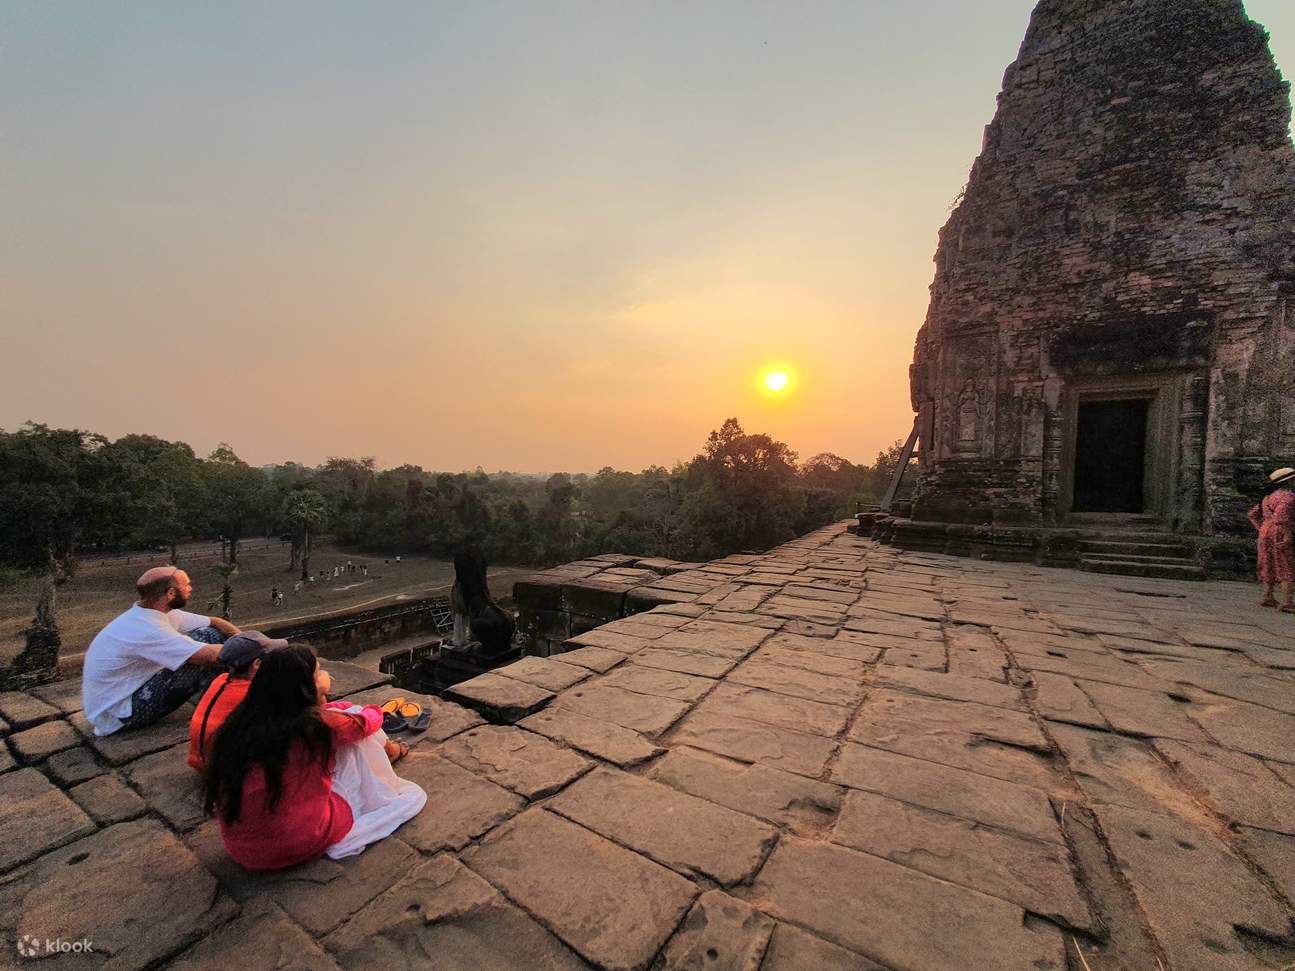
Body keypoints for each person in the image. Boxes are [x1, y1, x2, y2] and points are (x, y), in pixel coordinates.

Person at [204, 644, 426, 871]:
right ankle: (390, 755)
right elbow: (369, 721)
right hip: (296, 842)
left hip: (244, 850)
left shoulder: (239, 723)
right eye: (318, 672)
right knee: (359, 742)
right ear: (304, 686)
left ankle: (387, 753)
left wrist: (341, 707)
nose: (324, 676)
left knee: (344, 720)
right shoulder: (313, 726)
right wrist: (369, 709)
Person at [83, 567, 240, 736]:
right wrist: (261, 650)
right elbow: (210, 655)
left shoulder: (155, 613)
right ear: (171, 593)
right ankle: (229, 708)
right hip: (120, 715)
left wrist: (242, 638)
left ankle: (223, 699)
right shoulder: (145, 628)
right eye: (187, 585)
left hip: (120, 700)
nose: (190, 589)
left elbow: (214, 621)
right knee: (206, 656)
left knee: (209, 633)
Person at [188, 630, 287, 772]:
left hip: (200, 761)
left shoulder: (221, 679)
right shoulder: (255, 691)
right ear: (257, 664)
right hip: (225, 768)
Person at [1249, 467, 1295, 613]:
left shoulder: (1267, 497)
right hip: (1280, 530)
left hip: (1265, 530)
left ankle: (1268, 595)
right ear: (1289, 481)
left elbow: (1252, 514)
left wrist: (1262, 528)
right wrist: (1288, 535)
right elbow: (1281, 517)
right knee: (1286, 563)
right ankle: (1288, 602)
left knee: (1267, 562)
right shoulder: (1288, 496)